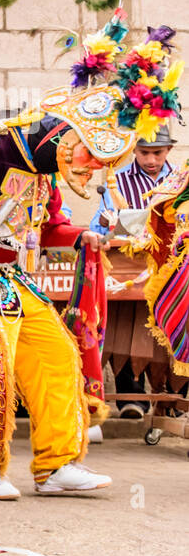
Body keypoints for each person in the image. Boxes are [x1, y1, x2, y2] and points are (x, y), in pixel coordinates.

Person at [0, 14, 168, 500]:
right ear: (62, 139)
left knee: (57, 354)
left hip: (13, 278)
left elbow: (50, 228)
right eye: (87, 157)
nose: (87, 169)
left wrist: (81, 237)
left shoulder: (46, 178)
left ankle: (58, 464)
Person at [88, 126, 181, 417]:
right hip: (130, 267)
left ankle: (175, 397)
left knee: (175, 321)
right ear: (134, 151)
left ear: (169, 151)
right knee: (125, 323)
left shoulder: (181, 178)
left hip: (172, 265)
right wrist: (106, 224)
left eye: (157, 152)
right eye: (144, 152)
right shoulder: (117, 181)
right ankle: (133, 397)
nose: (151, 159)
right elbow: (98, 228)